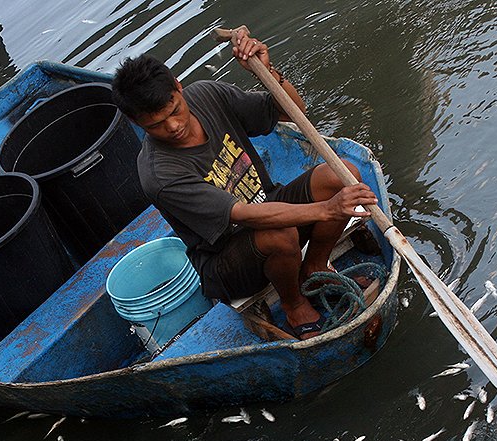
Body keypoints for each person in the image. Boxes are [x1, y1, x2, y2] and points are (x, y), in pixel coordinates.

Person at [111, 31, 377, 339]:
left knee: (342, 173)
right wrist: (326, 210)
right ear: (135, 122)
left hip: (269, 203)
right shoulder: (159, 175)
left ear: (178, 88)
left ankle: (315, 268)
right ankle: (293, 303)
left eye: (174, 110)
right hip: (227, 259)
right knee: (281, 232)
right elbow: (245, 216)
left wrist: (268, 73)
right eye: (155, 124)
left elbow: (292, 112)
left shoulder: (207, 94)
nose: (173, 126)